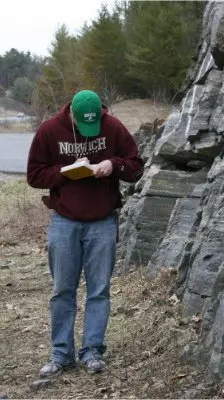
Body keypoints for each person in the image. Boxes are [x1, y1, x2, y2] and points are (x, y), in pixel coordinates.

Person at [27, 89, 144, 377]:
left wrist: (113, 164)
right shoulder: (50, 130)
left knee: (99, 290)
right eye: (83, 125)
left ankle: (92, 351)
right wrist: (66, 171)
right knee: (62, 290)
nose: (89, 130)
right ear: (71, 114)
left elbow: (136, 167)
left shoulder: (113, 127)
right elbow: (34, 175)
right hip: (64, 221)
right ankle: (61, 355)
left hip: (102, 221)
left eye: (94, 124)